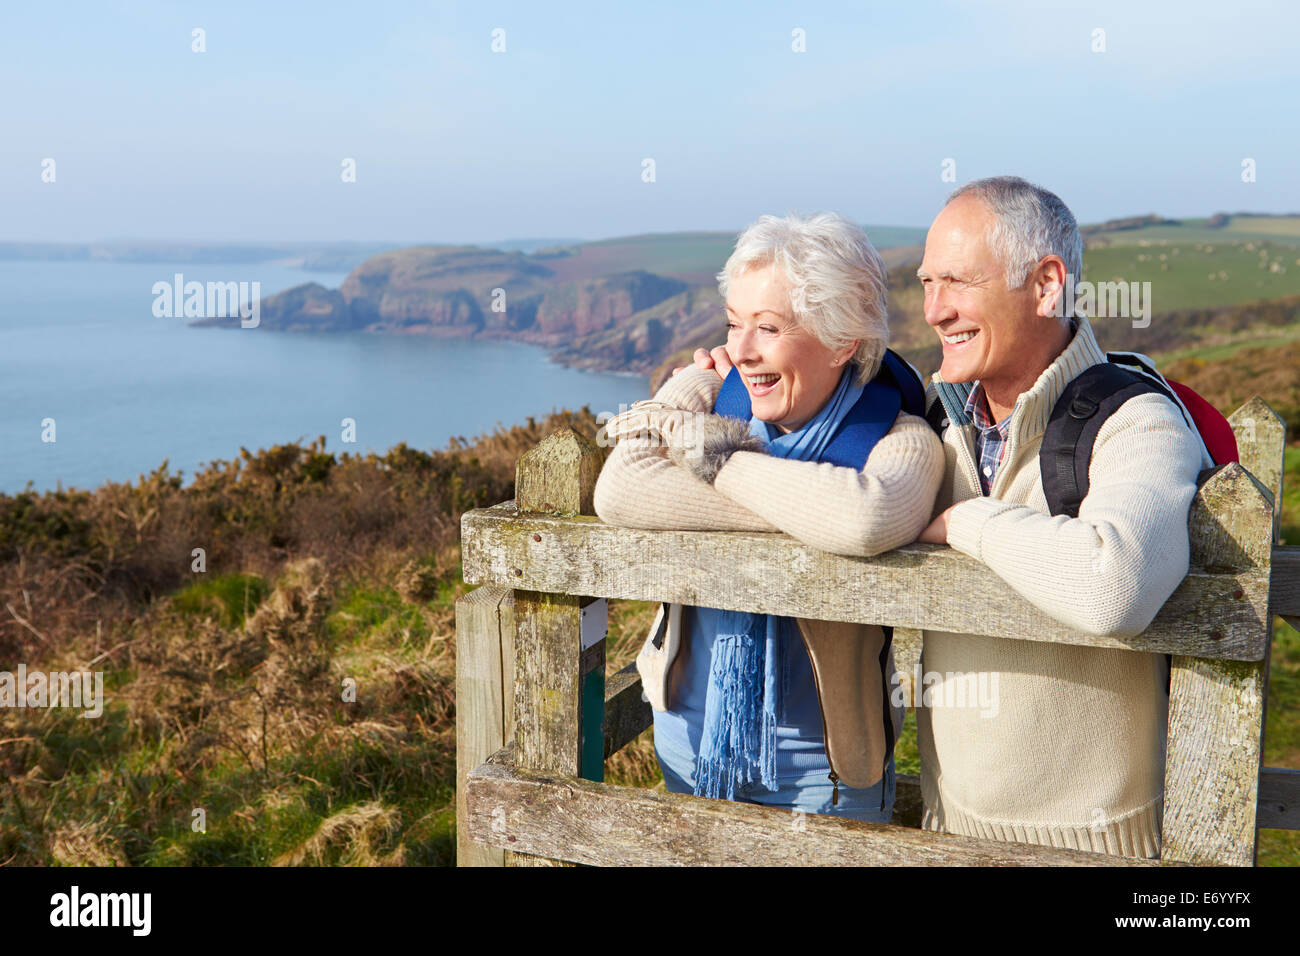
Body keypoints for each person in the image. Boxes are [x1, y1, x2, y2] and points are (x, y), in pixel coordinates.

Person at [594, 212, 944, 822]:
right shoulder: (710, 392)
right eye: (734, 324)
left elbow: (863, 519)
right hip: (688, 744)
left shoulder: (899, 437)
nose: (743, 351)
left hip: (827, 775)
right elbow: (620, 490)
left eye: (770, 328)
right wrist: (806, 503)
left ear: (843, 341)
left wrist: (712, 458)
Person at [913, 176, 1213, 857]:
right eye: (927, 282)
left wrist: (969, 522)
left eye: (957, 281)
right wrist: (716, 383)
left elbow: (1116, 586)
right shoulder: (936, 422)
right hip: (944, 829)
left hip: (1094, 846)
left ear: (1047, 285)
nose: (933, 310)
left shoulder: (1136, 420)